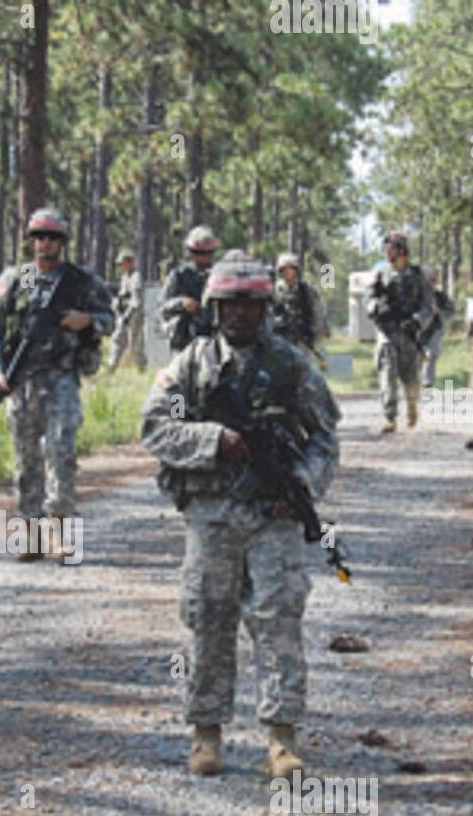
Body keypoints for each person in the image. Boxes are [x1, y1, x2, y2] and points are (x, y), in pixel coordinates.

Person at [141, 256, 341, 778]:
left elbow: (323, 437)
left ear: (264, 308)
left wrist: (302, 481)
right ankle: (205, 732)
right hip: (210, 515)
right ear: (215, 307)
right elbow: (156, 427)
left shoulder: (290, 367)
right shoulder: (191, 365)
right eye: (231, 304)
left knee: (278, 620)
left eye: (251, 304)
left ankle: (281, 737)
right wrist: (214, 441)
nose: (240, 314)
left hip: (273, 515)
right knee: (208, 618)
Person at [0, 206, 114, 561]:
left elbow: (109, 319)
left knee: (60, 451)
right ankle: (30, 533)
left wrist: (86, 320)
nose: (45, 244)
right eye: (40, 237)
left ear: (63, 242)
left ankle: (59, 531)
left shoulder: (80, 282)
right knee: (26, 461)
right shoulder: (17, 279)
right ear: (30, 241)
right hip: (21, 381)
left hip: (61, 379)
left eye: (52, 238)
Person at [368, 231, 433, 433]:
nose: (387, 252)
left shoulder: (418, 275)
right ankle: (390, 416)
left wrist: (416, 321)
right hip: (387, 330)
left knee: (410, 375)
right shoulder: (381, 275)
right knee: (387, 371)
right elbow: (369, 299)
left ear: (402, 251)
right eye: (386, 248)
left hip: (408, 332)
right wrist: (377, 308)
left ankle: (412, 407)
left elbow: (427, 305)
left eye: (391, 248)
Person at [160, 225, 219, 352]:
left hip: (215, 337)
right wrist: (181, 303)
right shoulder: (179, 275)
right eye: (197, 253)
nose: (202, 257)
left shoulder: (220, 275)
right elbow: (163, 305)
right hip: (185, 340)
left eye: (206, 253)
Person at [272, 251, 331, 369]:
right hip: (279, 340)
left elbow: (318, 312)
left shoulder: (306, 290)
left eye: (291, 269)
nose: (288, 273)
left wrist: (313, 333)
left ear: (296, 271)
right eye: (285, 270)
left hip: (302, 341)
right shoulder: (274, 292)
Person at [108, 249, 147, 372]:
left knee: (135, 346)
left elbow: (137, 301)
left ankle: (142, 369)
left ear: (130, 262)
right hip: (123, 315)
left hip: (134, 317)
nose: (121, 267)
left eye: (122, 263)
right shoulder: (125, 277)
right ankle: (111, 366)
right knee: (118, 340)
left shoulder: (136, 278)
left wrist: (127, 316)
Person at [418, 266, 454, 389]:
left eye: (434, 279)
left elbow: (450, 309)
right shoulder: (415, 294)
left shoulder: (439, 295)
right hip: (416, 330)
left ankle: (427, 383)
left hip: (433, 329)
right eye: (429, 279)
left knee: (430, 354)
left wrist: (440, 312)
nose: (431, 282)